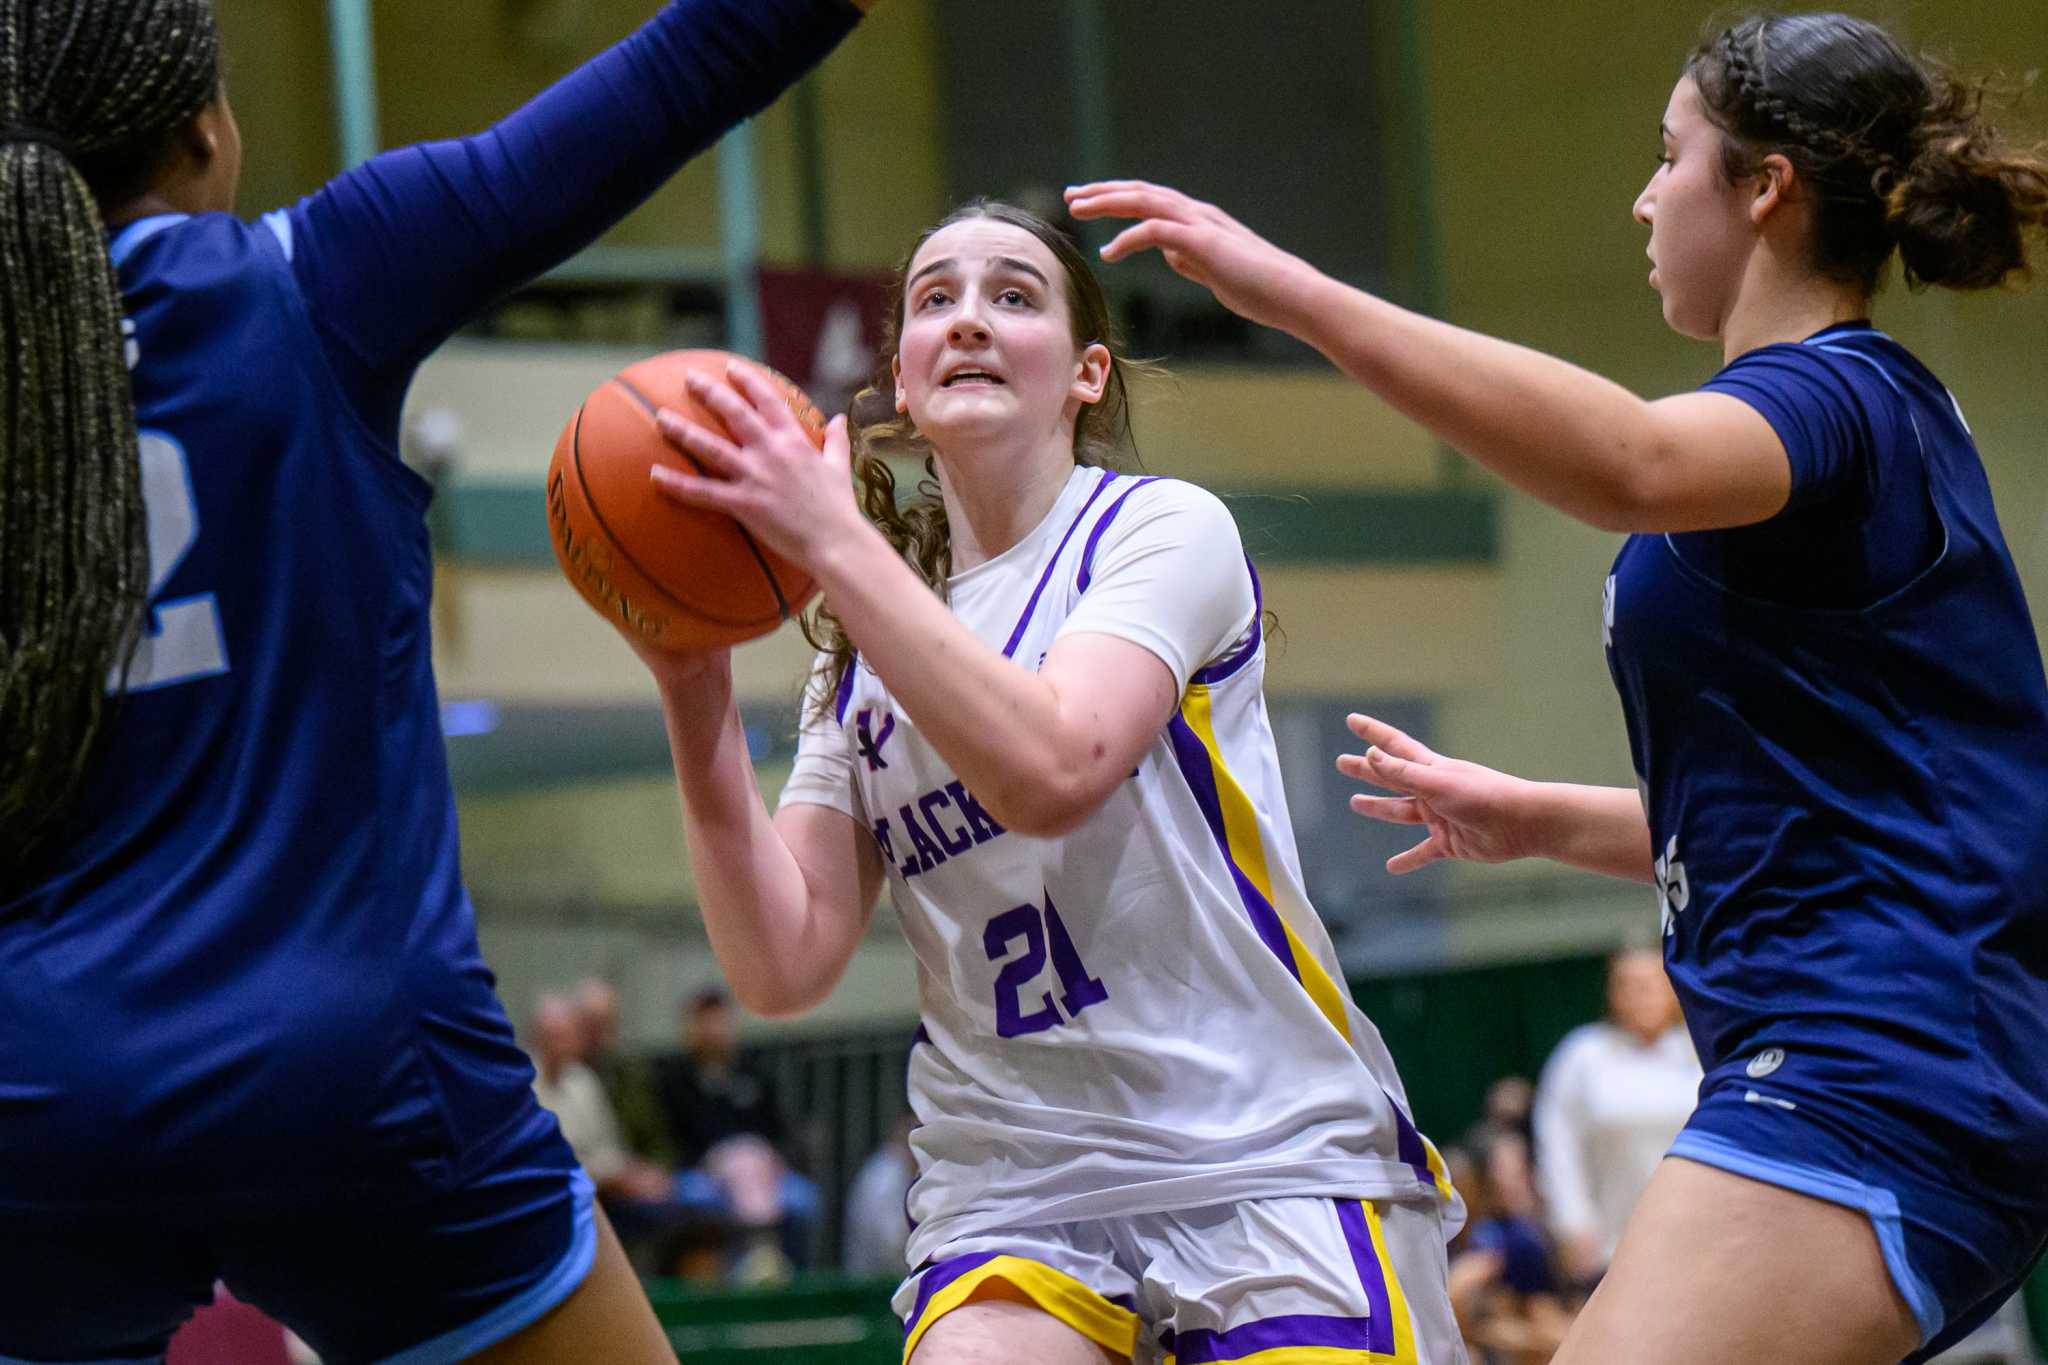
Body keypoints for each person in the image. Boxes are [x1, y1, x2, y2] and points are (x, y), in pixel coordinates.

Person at [1067, 11, 2048, 1365]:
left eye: (1672, 156)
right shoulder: (1836, 432)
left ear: (1764, 189)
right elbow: (1815, 820)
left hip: (1886, 1062)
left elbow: (1630, 461)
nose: (1646, 197)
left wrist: (1291, 293)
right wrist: (1535, 816)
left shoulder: (1845, 401)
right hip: (1876, 1055)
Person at [0, 0, 868, 1359]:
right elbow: (686, 66)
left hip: (37, 1094)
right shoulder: (311, 275)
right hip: (356, 1073)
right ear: (203, 130)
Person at [629, 198, 1469, 1365]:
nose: (968, 319)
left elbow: (1054, 766)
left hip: (1260, 1152)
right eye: (935, 300)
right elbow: (782, 961)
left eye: (1011, 296)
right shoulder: (865, 651)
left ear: (1085, 373)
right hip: (1011, 1191)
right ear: (901, 383)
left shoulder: (1159, 532)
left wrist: (835, 546)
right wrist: (693, 690)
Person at [1530, 945, 1699, 1285]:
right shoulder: (1582, 1055)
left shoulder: (1699, 1051)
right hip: (1611, 1245)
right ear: (1612, 993)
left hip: (1698, 1239)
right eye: (1628, 985)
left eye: (1651, 984)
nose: (1641, 996)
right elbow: (1557, 1143)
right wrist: (1572, 1222)